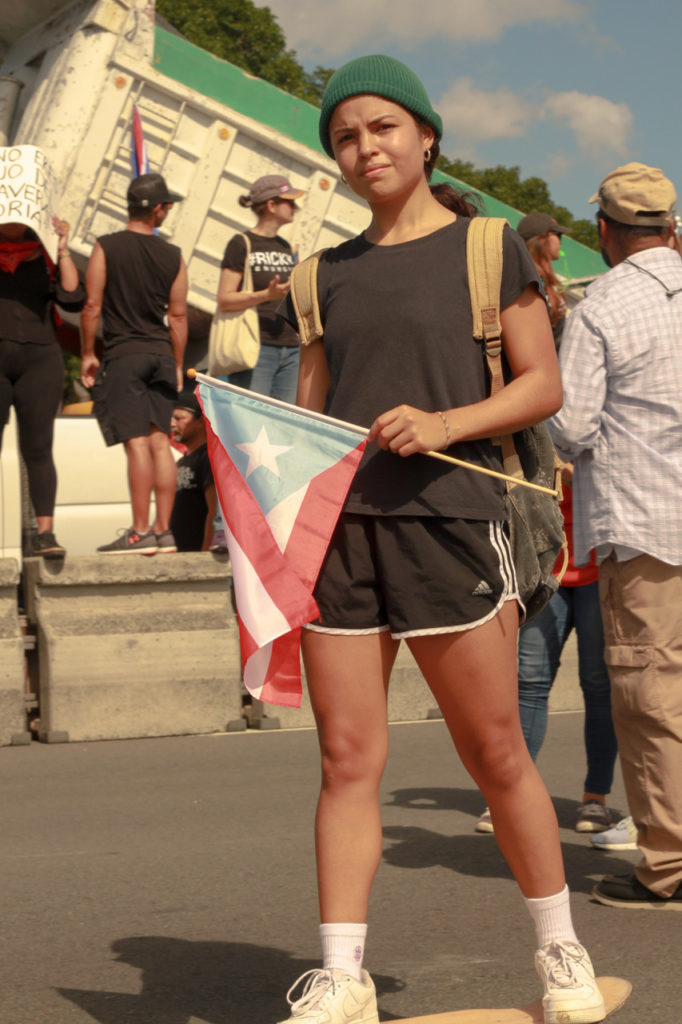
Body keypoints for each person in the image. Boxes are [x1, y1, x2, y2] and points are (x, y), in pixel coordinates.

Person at [275, 55, 606, 1024]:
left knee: (496, 750)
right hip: (342, 539)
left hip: (456, 524)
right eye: (344, 135)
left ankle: (559, 953)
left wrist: (444, 422)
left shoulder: (489, 245)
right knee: (345, 759)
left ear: (424, 136)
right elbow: (309, 421)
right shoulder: (315, 275)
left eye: (381, 127)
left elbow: (541, 385)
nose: (362, 146)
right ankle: (343, 974)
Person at [549, 162, 682, 912]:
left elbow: (569, 426)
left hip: (646, 525)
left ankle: (668, 867)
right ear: (669, 224)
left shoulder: (604, 305)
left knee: (652, 697)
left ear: (605, 230)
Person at [475, 461, 619, 836]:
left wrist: (582, 475)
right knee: (530, 683)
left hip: (601, 565)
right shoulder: (537, 412)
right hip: (545, 567)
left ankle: (595, 798)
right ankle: (509, 796)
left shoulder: (601, 418)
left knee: (599, 687)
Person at [80, 172, 188, 554]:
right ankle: (164, 532)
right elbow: (177, 317)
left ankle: (139, 532)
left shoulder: (106, 246)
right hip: (160, 354)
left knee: (137, 444)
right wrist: (176, 364)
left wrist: (89, 353)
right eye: (168, 207)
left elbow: (92, 304)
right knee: (161, 442)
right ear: (157, 209)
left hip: (125, 355)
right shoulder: (173, 255)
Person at [209, 175, 304, 554]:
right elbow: (224, 299)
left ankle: (271, 523)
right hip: (256, 350)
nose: (294, 207)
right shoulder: (242, 242)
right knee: (245, 438)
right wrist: (267, 294)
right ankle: (224, 526)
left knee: (279, 442)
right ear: (269, 204)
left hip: (289, 348)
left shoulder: (286, 245)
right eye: (288, 201)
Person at [0, 215, 85, 557]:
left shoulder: (45, 252)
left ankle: (45, 536)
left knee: (37, 448)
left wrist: (62, 248)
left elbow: (73, 299)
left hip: (40, 360)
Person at [169, 392, 216, 552]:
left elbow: (214, 511)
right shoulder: (180, 462)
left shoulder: (208, 457)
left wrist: (205, 555)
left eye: (179, 418)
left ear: (200, 421)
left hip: (199, 556)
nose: (172, 424)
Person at [516, 212, 570, 348]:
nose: (560, 240)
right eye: (558, 234)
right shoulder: (524, 280)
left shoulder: (551, 282)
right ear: (542, 238)